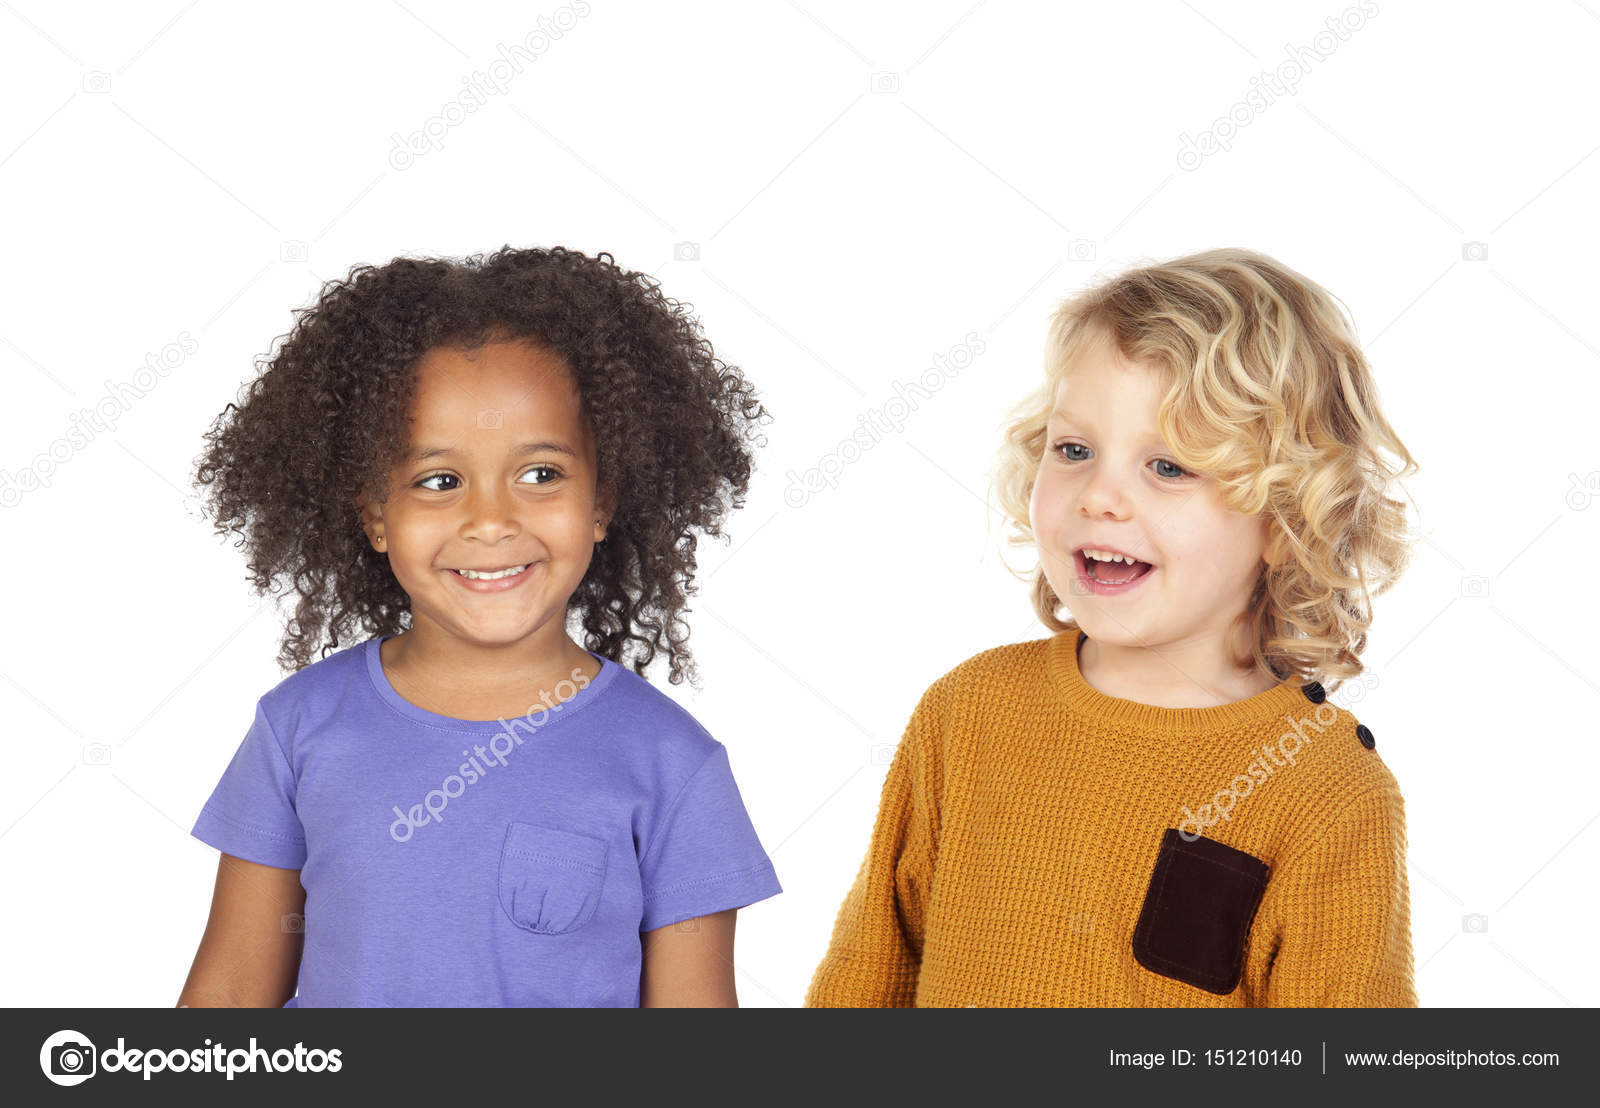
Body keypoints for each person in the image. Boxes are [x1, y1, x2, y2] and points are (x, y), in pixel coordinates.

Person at [805, 248, 1420, 1007]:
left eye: (1168, 467)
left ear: (1285, 519)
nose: (1098, 496)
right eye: (1074, 450)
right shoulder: (969, 712)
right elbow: (867, 974)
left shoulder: (1327, 791)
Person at [179, 245, 780, 1007]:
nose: (491, 520)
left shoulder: (672, 765)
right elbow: (228, 1001)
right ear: (374, 514)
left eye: (541, 474)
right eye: (439, 480)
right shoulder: (297, 730)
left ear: (602, 501)